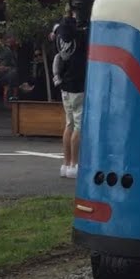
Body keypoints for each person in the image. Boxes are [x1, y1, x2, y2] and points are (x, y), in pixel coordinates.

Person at [52, 11, 87, 178]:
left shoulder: (58, 35)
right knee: (79, 126)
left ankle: (65, 164)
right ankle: (75, 164)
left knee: (69, 124)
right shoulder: (82, 35)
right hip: (78, 85)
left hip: (64, 85)